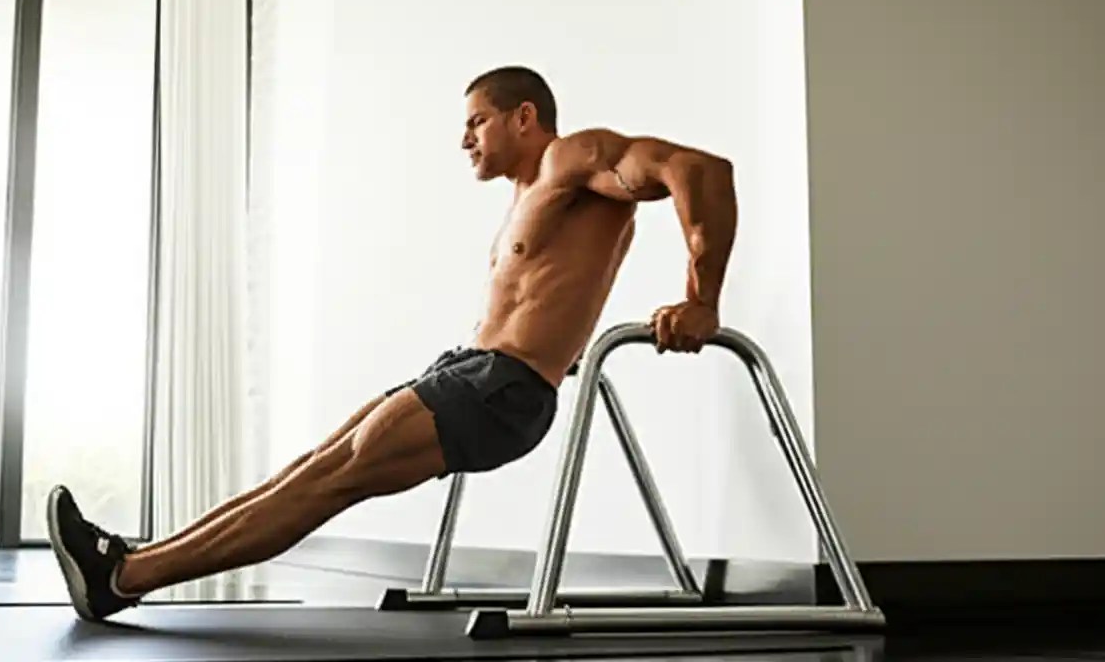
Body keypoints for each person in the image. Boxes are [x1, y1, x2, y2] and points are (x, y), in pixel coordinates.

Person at [46, 65, 738, 621]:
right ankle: (130, 560)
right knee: (311, 467)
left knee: (329, 480)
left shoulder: (573, 157)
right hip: (472, 370)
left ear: (523, 116)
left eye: (477, 121)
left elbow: (700, 170)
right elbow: (554, 290)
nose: (465, 140)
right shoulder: (533, 195)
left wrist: (700, 299)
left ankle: (125, 578)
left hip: (503, 390)